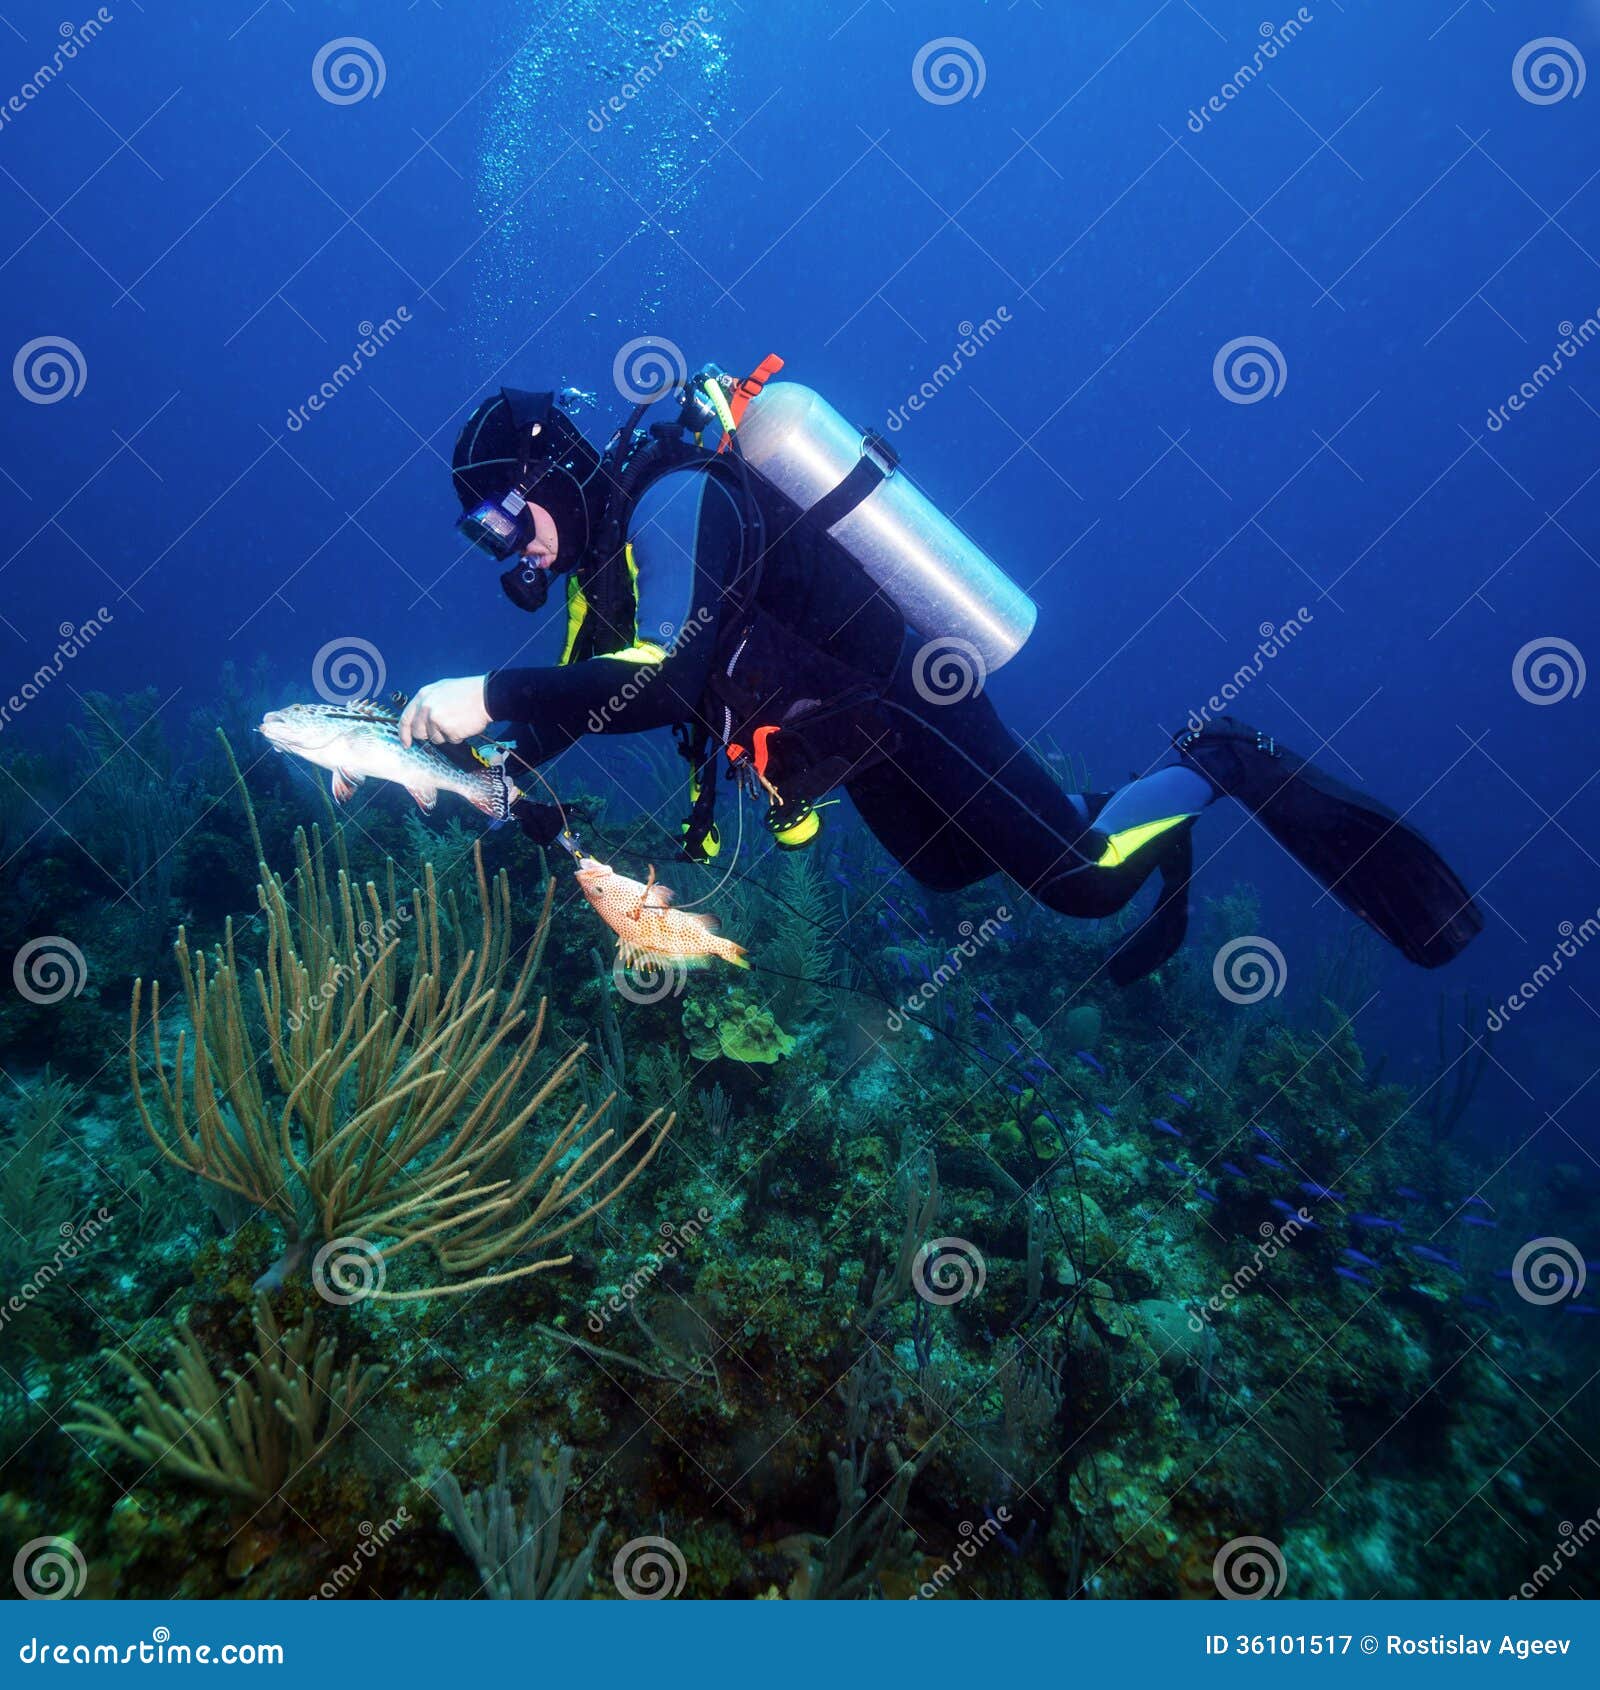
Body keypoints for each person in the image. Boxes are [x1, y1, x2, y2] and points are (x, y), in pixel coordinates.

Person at [401, 368, 1482, 985]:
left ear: (552, 471)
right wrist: (446, 758)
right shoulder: (609, 579)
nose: (509, 552)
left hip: (915, 691)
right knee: (946, 871)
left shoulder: (677, 504)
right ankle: (1094, 811)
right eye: (481, 536)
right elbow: (577, 702)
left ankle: (1219, 760)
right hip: (852, 737)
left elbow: (671, 687)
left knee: (1081, 882)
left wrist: (484, 694)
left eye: (504, 518)